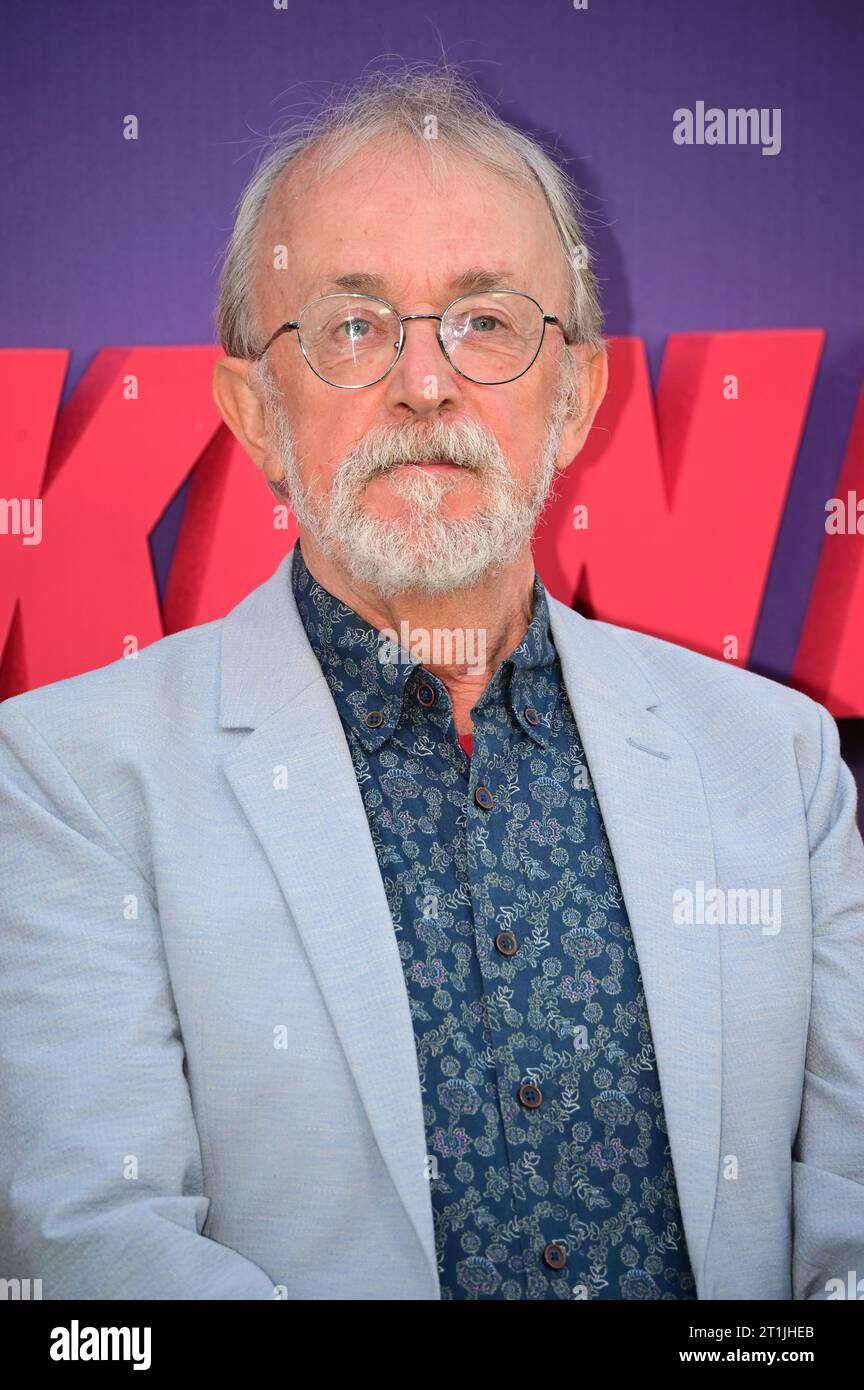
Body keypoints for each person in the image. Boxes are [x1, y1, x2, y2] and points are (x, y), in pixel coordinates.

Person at [1, 66, 862, 1301]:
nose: (423, 381)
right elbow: (91, 1252)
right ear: (251, 409)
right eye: (352, 325)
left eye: (489, 321)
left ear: (577, 398)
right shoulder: (66, 780)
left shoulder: (778, 764)